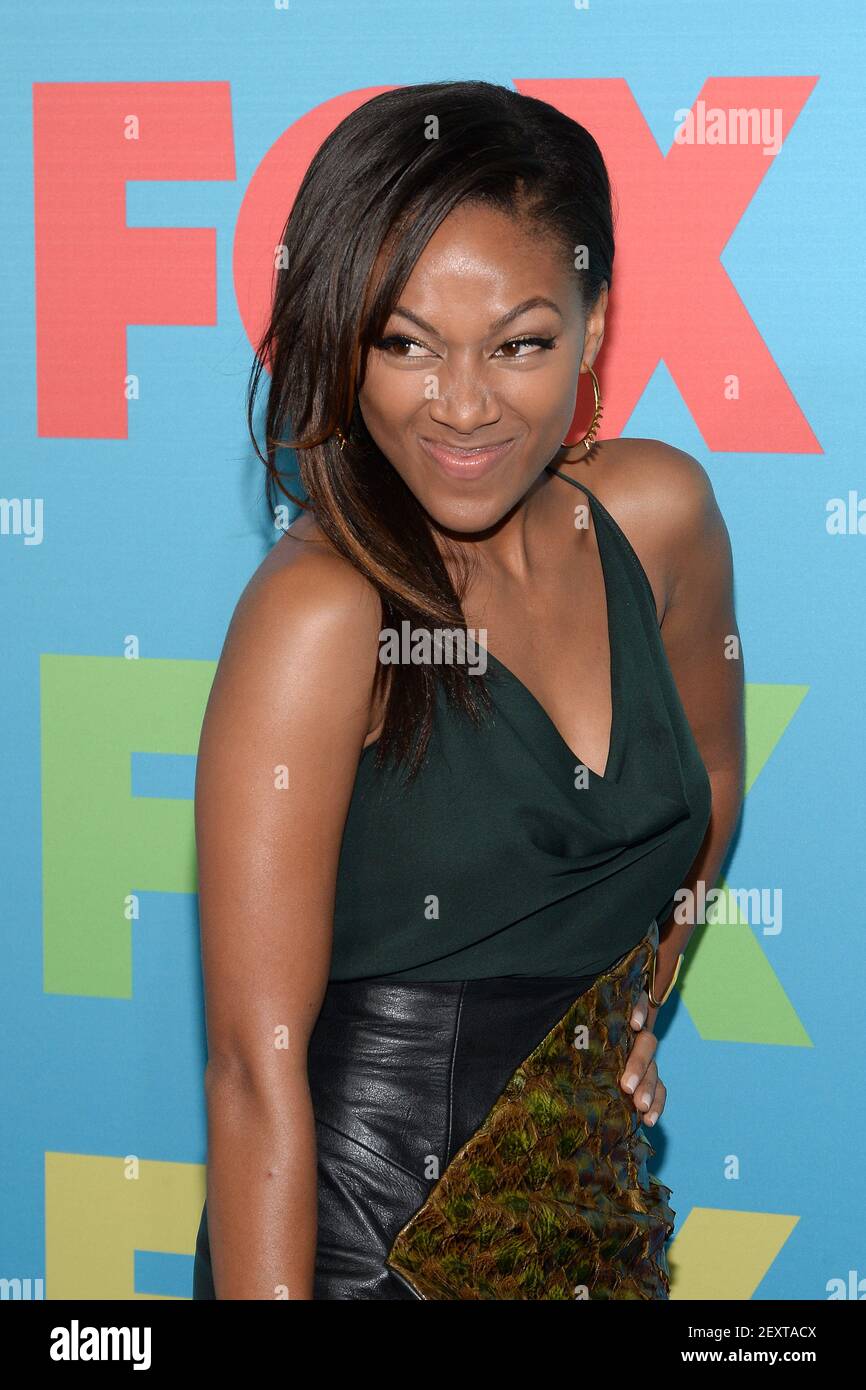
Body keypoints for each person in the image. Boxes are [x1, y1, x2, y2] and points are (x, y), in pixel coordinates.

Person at [192, 79, 744, 1300]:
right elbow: (249, 1067)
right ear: (346, 341)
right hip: (359, 1241)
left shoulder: (657, 522)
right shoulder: (320, 613)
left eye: (519, 342)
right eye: (404, 343)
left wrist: (626, 1008)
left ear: (593, 330)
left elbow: (704, 779)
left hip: (593, 1216)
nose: (460, 404)